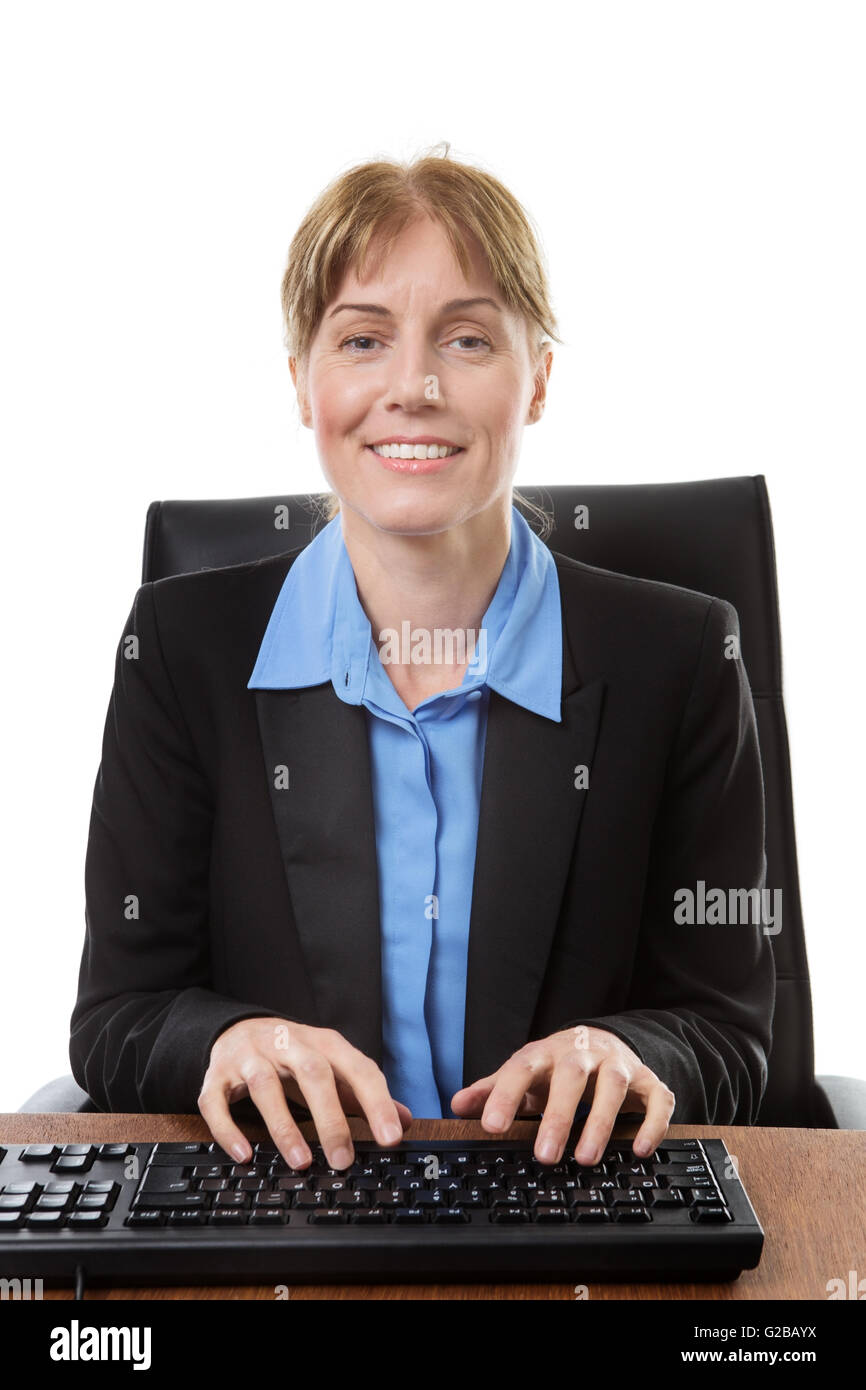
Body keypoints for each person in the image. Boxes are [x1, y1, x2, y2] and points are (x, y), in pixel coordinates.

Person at [70, 145, 775, 1176]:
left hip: (572, 1215)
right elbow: (118, 1018)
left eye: (468, 338)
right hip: (292, 1214)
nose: (414, 385)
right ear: (301, 382)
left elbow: (728, 1026)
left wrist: (629, 1050)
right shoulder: (183, 652)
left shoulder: (678, 659)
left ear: (536, 378)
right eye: (361, 339)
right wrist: (223, 1041)